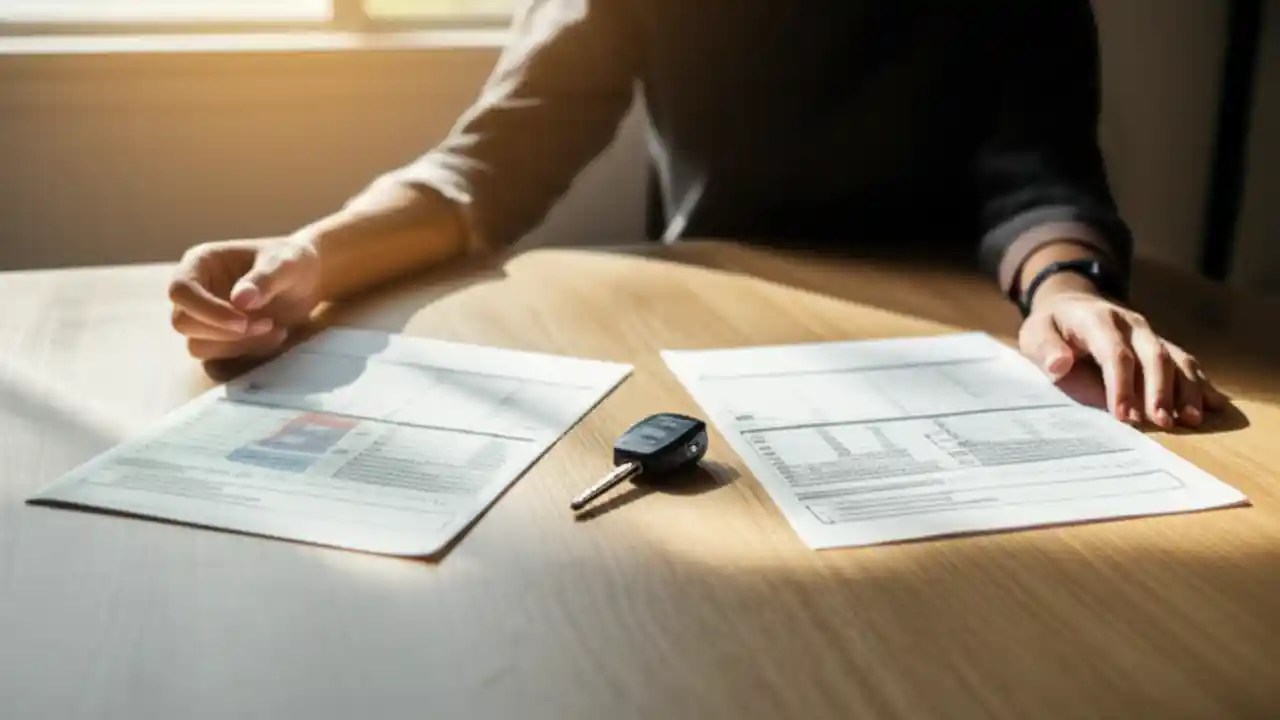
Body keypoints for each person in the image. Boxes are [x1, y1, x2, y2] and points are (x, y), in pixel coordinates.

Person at [167, 0, 1226, 429]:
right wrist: (307, 255)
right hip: (720, 349)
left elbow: (1036, 174)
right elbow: (486, 168)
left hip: (969, 337)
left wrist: (1068, 291)